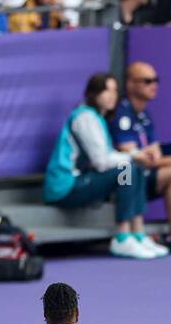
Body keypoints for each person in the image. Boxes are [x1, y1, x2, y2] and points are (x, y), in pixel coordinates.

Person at [44, 72, 161, 259]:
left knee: (134, 168)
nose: (112, 95)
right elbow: (101, 161)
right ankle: (122, 236)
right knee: (127, 169)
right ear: (93, 93)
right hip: (66, 186)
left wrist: (133, 156)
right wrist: (133, 156)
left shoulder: (98, 118)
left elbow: (107, 156)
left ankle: (137, 233)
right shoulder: (85, 118)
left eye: (115, 91)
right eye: (106, 90)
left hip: (81, 180)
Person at [110, 62, 171, 254]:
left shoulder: (144, 115)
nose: (154, 85)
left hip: (147, 173)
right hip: (127, 176)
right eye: (147, 81)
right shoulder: (121, 114)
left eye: (156, 80)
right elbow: (134, 157)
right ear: (130, 85)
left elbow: (154, 153)